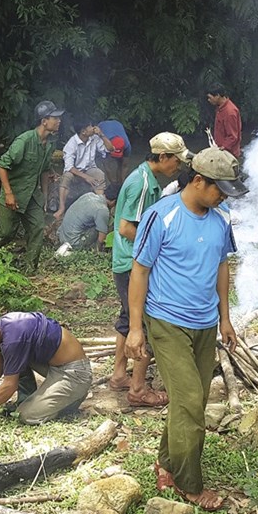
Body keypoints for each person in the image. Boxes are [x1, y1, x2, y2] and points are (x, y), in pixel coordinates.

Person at [125, 146, 248, 511]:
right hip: (167, 322)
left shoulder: (221, 219)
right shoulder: (161, 215)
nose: (223, 196)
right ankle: (187, 484)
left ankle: (165, 464)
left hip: (206, 323)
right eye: (219, 189)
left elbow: (222, 267)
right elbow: (140, 271)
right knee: (193, 400)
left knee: (185, 400)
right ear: (197, 180)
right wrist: (135, 329)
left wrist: (225, 318)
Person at [108, 132, 191, 408]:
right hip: (133, 262)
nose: (178, 166)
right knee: (143, 322)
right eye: (175, 161)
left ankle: (120, 375)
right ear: (163, 157)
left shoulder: (147, 179)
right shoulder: (143, 184)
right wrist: (160, 248)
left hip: (126, 261)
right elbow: (127, 228)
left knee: (126, 315)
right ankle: (138, 389)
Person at [0, 311, 92, 424]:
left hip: (75, 374)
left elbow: (9, 385)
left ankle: (71, 398)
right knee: (13, 361)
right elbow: (2, 356)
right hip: (55, 365)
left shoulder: (14, 340)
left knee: (26, 415)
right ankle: (29, 399)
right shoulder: (4, 325)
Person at [0, 100, 63, 273]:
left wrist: (44, 197)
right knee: (7, 232)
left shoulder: (51, 142)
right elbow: (2, 164)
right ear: (44, 121)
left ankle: (30, 269)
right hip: (14, 193)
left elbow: (44, 170)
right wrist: (8, 194)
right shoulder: (24, 141)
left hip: (32, 196)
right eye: (55, 118)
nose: (59, 121)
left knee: (37, 228)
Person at [54, 117, 114, 221]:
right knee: (66, 177)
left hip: (89, 169)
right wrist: (86, 177)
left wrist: (101, 135)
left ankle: (101, 204)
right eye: (90, 126)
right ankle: (61, 208)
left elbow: (110, 149)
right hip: (75, 171)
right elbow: (69, 167)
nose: (93, 128)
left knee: (99, 174)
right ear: (83, 132)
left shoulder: (94, 138)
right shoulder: (71, 144)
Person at [56, 183, 120, 254]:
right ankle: (93, 250)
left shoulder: (89, 195)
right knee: (102, 228)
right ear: (114, 201)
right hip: (73, 242)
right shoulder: (102, 209)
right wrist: (98, 250)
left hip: (62, 236)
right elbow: (102, 236)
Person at [206, 84, 242, 159]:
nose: (209, 100)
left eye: (210, 97)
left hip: (228, 154)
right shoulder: (220, 108)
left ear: (217, 95)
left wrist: (222, 148)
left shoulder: (230, 112)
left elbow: (233, 136)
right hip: (222, 151)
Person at [98, 119, 132, 184]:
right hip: (102, 125)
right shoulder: (103, 144)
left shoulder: (127, 146)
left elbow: (125, 166)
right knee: (106, 163)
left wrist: (122, 183)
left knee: (121, 164)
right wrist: (113, 183)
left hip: (117, 124)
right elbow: (107, 167)